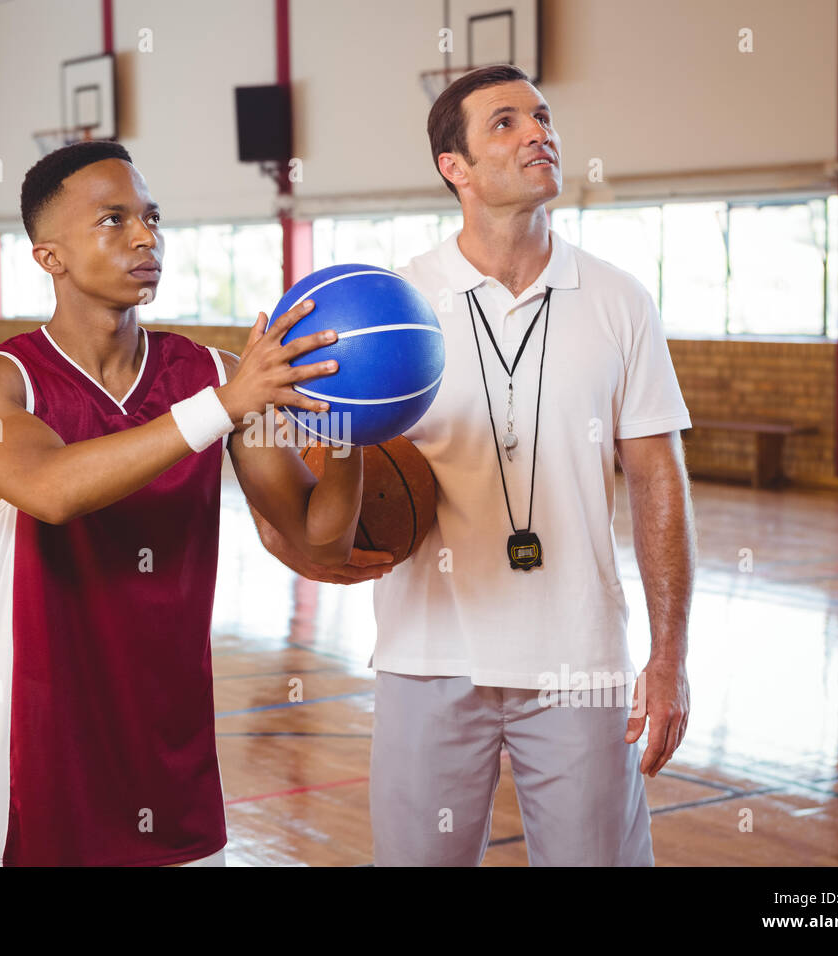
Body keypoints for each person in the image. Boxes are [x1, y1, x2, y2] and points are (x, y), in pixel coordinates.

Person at [250, 65, 696, 866]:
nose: (539, 133)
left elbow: (660, 483)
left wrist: (668, 658)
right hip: (429, 657)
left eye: (543, 116)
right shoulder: (390, 308)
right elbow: (309, 483)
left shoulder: (618, 299)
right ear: (453, 167)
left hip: (579, 657)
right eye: (505, 123)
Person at [0, 140, 364, 866]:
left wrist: (358, 419)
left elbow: (318, 538)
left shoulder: (212, 373)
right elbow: (52, 490)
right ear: (50, 258)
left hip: (176, 768)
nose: (146, 237)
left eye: (152, 218)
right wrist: (224, 406)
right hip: (39, 766)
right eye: (113, 220)